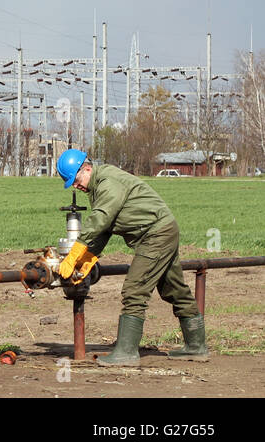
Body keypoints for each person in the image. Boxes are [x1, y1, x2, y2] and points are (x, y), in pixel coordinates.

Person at [54, 149, 206, 365]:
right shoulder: (99, 187)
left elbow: (101, 219)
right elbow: (104, 231)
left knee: (135, 290)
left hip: (156, 234)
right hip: (163, 230)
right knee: (174, 289)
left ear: (86, 168)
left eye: (76, 180)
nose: (76, 186)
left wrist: (74, 254)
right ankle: (196, 346)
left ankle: (127, 352)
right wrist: (87, 258)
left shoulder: (108, 182)